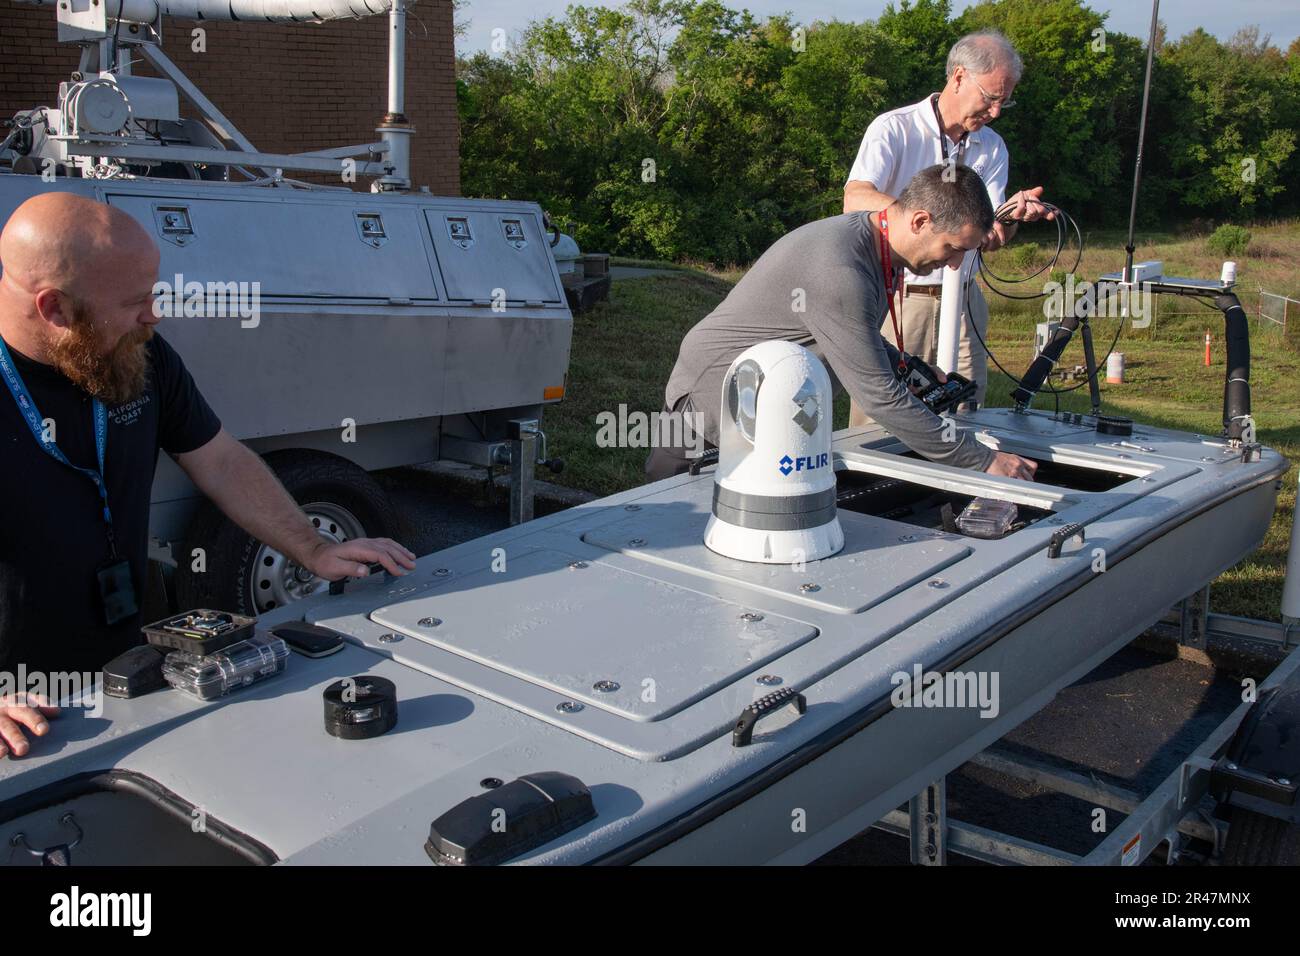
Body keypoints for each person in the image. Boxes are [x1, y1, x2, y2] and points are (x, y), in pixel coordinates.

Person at [0, 191, 417, 758]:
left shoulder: (132, 355)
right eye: (133, 302)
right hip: (21, 716)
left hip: (122, 671)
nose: (154, 315)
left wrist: (311, 547)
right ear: (53, 309)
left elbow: (219, 459)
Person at [646, 163, 1039, 484]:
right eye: (953, 248)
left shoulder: (873, 242)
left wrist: (906, 368)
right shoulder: (840, 268)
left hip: (765, 411)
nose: (954, 264)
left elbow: (852, 331)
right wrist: (981, 460)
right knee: (677, 531)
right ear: (920, 220)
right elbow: (878, 397)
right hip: (706, 415)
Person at [843, 28, 1052, 416]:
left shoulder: (992, 146)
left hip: (965, 301)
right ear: (958, 77)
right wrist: (935, 221)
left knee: (965, 413)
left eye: (1004, 103)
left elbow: (992, 234)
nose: (994, 113)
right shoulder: (894, 129)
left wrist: (1010, 217)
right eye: (990, 98)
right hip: (900, 298)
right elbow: (855, 199)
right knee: (883, 417)